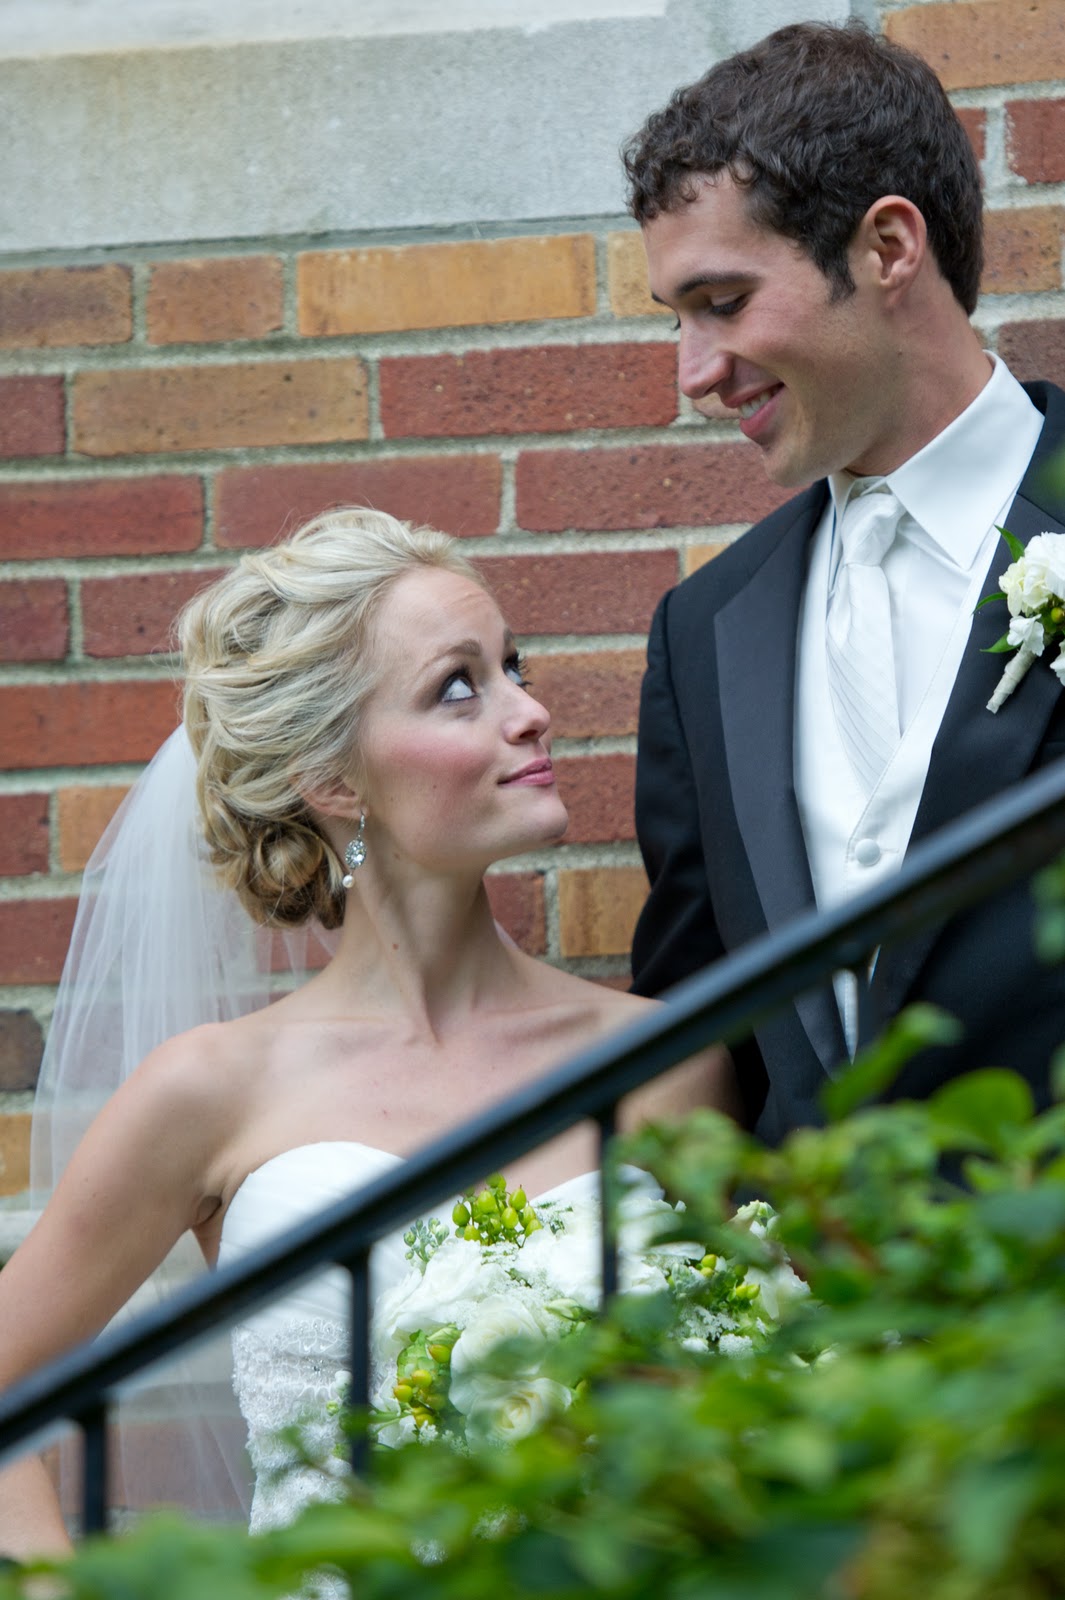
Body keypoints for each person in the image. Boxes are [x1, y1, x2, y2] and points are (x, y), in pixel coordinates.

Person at [0, 508, 731, 1558]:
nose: (530, 712)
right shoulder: (210, 1091)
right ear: (335, 781)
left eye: (513, 667)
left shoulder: (666, 1060)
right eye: (458, 687)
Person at [625, 21, 1065, 1140]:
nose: (694, 373)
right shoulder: (702, 634)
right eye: (676, 319)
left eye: (723, 302)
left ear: (887, 247)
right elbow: (699, 1038)